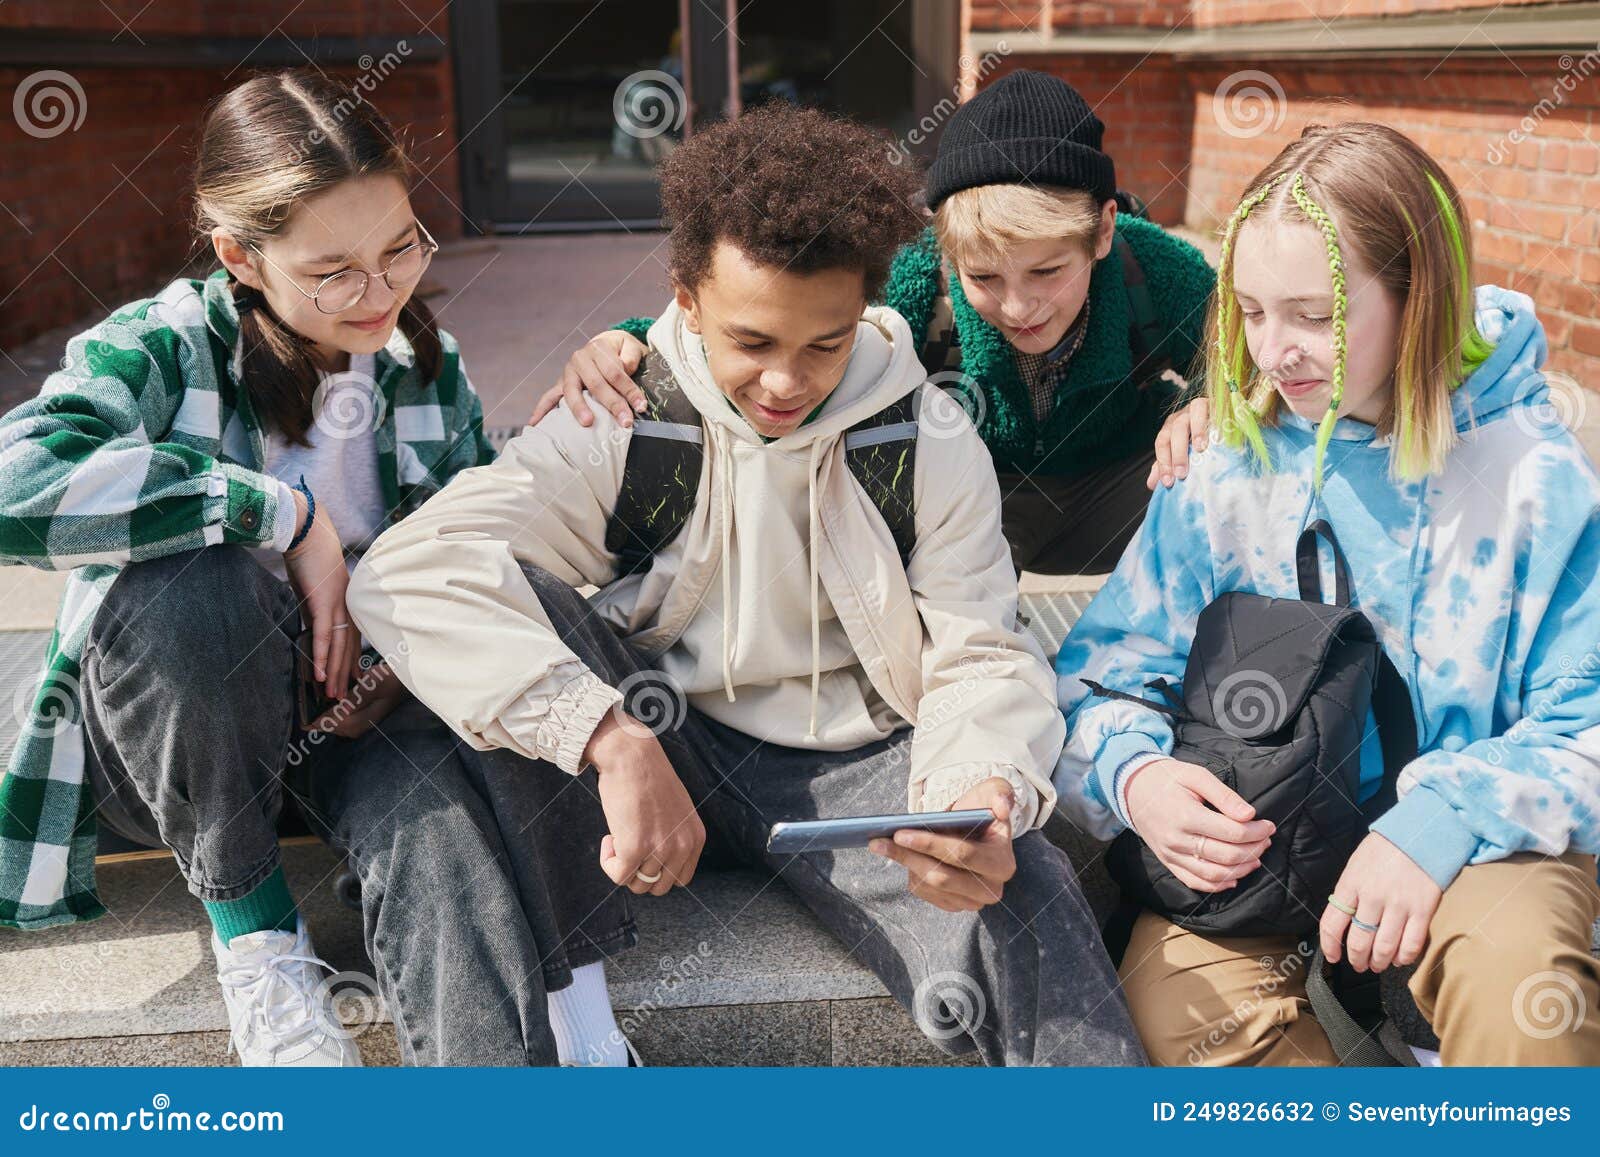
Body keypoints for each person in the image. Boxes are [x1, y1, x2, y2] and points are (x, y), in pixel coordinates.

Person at [347, 100, 1146, 1067]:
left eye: (825, 343)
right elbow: (403, 572)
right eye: (753, 342)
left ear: (864, 309)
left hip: (858, 768)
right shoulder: (629, 413)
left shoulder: (930, 434)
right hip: (661, 740)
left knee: (1027, 890)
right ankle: (576, 1032)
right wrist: (607, 734)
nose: (785, 381)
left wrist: (980, 789)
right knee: (512, 597)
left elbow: (980, 648)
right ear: (684, 300)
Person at [0, 72, 624, 1068]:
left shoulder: (426, 366)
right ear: (242, 256)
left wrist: (392, 658)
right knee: (194, 584)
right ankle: (260, 947)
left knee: (441, 834)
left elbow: (463, 557)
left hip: (351, 723)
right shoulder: (161, 347)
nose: (379, 294)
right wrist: (282, 513)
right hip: (176, 731)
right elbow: (15, 483)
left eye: (399, 247)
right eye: (332, 269)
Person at [1053, 121, 1600, 1066]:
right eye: (1253, 311)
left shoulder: (1534, 476)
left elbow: (1585, 717)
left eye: (1315, 314)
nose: (1274, 351)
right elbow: (1097, 676)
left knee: (1518, 982)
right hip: (1268, 846)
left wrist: (1441, 820)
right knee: (1176, 996)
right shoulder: (1221, 466)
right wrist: (1136, 778)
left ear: (1416, 294)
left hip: (1487, 847)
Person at [531, 71, 1215, 575]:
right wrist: (626, 340)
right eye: (983, 278)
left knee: (1232, 466)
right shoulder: (912, 276)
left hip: (1115, 496)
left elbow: (1251, 353)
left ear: (1101, 232)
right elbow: (774, 318)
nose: (1017, 306)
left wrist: (1215, 400)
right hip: (971, 509)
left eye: (1046, 273)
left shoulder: (1154, 268)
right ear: (946, 251)